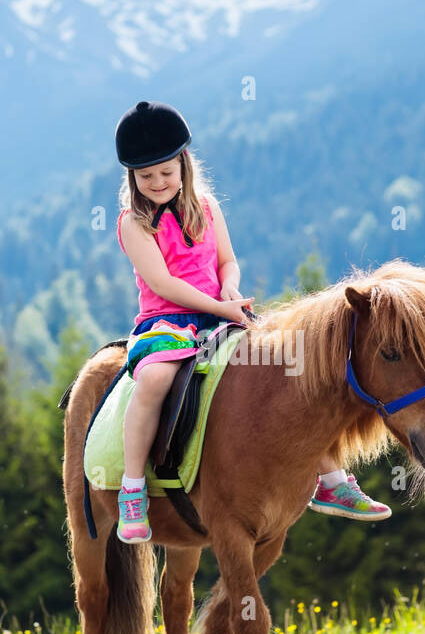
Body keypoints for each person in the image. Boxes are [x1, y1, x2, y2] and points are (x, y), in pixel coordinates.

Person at [112, 100, 392, 544]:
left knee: (290, 372)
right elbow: (162, 283)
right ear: (133, 178)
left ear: (183, 164)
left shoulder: (205, 206)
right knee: (153, 381)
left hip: (219, 313)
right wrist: (220, 307)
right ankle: (132, 489)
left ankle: (333, 479)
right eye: (146, 177)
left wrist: (228, 289)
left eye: (166, 172)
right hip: (166, 322)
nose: (158, 183)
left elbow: (227, 260)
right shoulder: (134, 222)